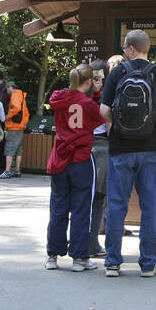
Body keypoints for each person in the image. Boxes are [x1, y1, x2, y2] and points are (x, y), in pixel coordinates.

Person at [100, 30, 156, 278]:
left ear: (132, 49)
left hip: (120, 150)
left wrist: (115, 129)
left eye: (125, 48)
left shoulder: (117, 72)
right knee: (149, 207)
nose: (124, 51)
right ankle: (147, 264)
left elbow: (103, 110)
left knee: (116, 206)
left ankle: (112, 262)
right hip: (151, 149)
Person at [45, 63, 108, 271]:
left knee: (58, 207)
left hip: (59, 157)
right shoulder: (88, 104)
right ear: (89, 81)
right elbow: (103, 116)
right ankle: (79, 258)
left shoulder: (59, 99)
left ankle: (52, 255)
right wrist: (98, 94)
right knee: (82, 208)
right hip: (80, 158)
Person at [86, 61, 110, 257]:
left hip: (79, 148)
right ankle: (92, 244)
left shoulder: (74, 98)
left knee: (80, 199)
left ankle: (78, 242)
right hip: (101, 148)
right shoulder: (106, 99)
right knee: (98, 199)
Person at [0, 79, 29, 178]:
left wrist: (8, 116)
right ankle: (17, 170)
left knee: (9, 149)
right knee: (18, 150)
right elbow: (26, 112)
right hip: (20, 127)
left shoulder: (15, 95)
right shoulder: (21, 96)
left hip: (14, 126)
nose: (7, 93)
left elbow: (16, 108)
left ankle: (7, 171)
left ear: (10, 88)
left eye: (7, 90)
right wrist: (24, 123)